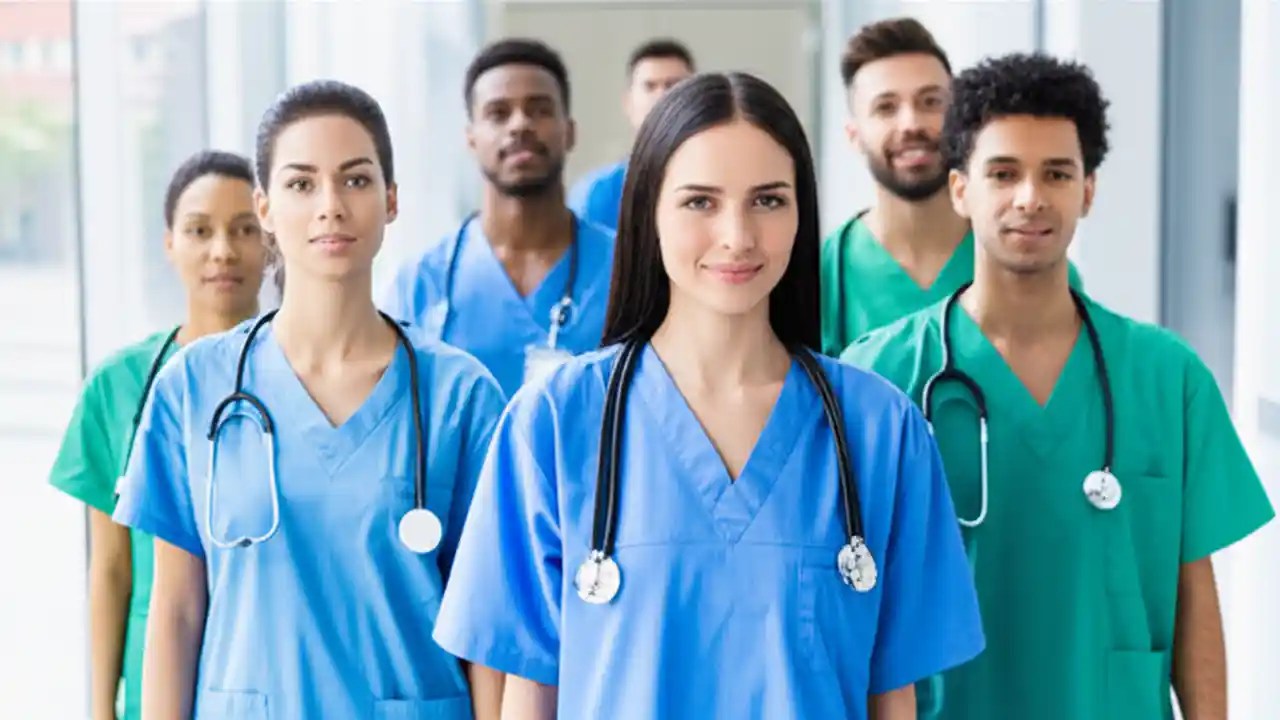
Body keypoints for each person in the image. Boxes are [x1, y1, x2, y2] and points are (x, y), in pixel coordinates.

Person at [433, 71, 984, 720]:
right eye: (700, 202)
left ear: (801, 214)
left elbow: (893, 694)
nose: (737, 236)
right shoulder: (554, 425)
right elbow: (527, 689)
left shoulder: (880, 430)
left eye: (768, 201)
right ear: (648, 213)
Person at [841, 53, 1275, 719]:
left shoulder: (1167, 377)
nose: (1030, 197)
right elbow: (852, 598)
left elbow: (1194, 596)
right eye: (1003, 173)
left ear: (1088, 190)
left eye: (1057, 173)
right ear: (961, 189)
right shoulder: (882, 376)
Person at [112, 80, 508, 719]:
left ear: (392, 200)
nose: (330, 205)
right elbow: (178, 612)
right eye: (301, 184)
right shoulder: (195, 387)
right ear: (264, 207)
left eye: (355, 181)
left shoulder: (461, 396)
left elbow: (487, 625)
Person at [48, 150, 268, 720]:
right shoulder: (118, 386)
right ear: (169, 243)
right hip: (156, 682)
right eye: (200, 230)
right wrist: (101, 709)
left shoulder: (304, 379)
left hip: (268, 672)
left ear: (272, 238)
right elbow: (112, 569)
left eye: (245, 229)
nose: (222, 249)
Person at [821, 18, 1081, 355]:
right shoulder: (823, 276)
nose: (911, 123)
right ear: (854, 135)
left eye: (931, 102)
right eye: (886, 107)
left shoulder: (1031, 256)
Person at [381, 39, 615, 396]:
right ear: (471, 138)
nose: (520, 124)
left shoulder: (626, 271)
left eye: (539, 110)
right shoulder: (421, 284)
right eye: (498, 113)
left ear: (569, 132)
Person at [568, 37, 696, 231]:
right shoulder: (594, 195)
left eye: (673, 85)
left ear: (696, 100)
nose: (661, 96)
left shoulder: (724, 182)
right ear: (628, 103)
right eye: (650, 86)